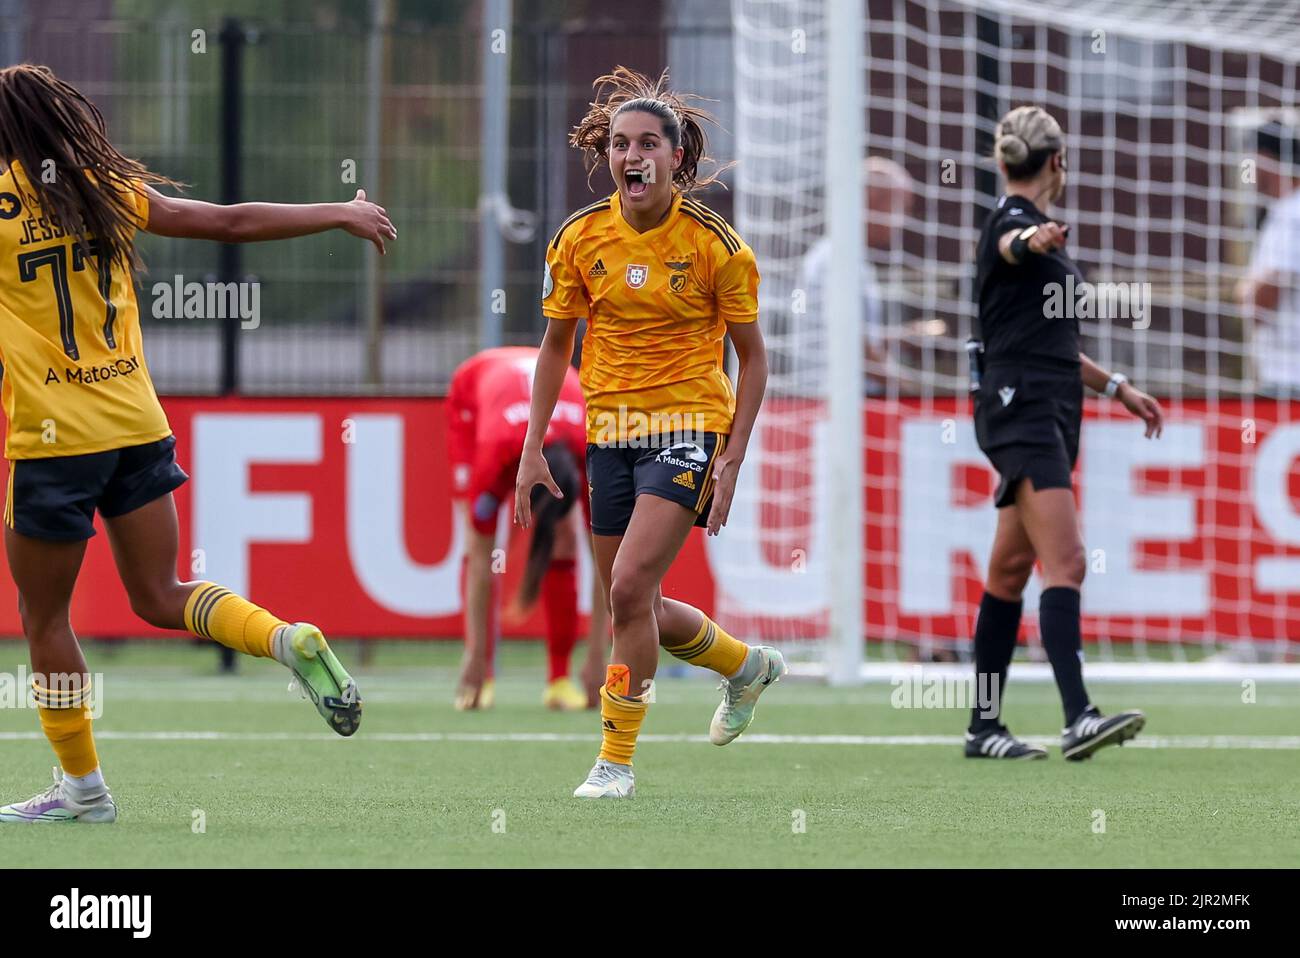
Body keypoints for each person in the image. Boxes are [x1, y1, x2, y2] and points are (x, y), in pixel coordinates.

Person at [0, 64, 396, 823]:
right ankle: (284, 637)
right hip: (136, 425)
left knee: (45, 620)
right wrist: (337, 213)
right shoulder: (103, 191)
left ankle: (83, 792)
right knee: (161, 594)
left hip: (52, 442)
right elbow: (228, 222)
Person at [515, 66, 781, 799]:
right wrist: (533, 445)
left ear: (676, 160)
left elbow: (755, 358)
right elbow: (553, 345)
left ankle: (615, 764)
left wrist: (731, 460)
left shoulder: (716, 247)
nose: (631, 156)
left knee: (629, 587)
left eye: (647, 145)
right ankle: (744, 666)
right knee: (635, 606)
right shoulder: (578, 238)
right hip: (610, 433)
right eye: (620, 144)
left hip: (688, 427)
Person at [967, 104, 1163, 761]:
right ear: (1058, 162)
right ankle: (1079, 715)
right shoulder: (1015, 222)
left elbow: (1047, 344)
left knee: (1010, 569)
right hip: (1020, 409)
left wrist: (1117, 388)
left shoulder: (1036, 233)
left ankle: (983, 727)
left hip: (1045, 401)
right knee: (1069, 560)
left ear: (1002, 159)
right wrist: (1035, 241)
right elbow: (1009, 243)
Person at [446, 345, 608, 711]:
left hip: (555, 413)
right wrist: (474, 655)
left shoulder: (590, 448)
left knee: (568, 541)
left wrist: (600, 655)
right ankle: (481, 671)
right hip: (474, 394)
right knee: (476, 543)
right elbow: (480, 552)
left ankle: (560, 679)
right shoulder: (495, 453)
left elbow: (607, 565)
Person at [798, 155, 915, 393]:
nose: (903, 222)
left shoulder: (850, 258)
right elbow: (851, 346)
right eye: (900, 208)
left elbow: (846, 332)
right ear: (873, 202)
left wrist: (900, 338)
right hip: (834, 402)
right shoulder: (837, 260)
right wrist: (912, 390)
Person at [1238, 120, 1300, 393]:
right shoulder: (1281, 212)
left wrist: (1244, 291)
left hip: (1290, 374)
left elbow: (1263, 299)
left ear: (1266, 158)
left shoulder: (1293, 215)